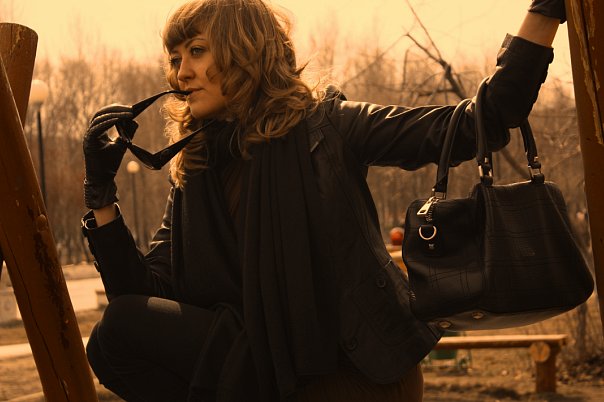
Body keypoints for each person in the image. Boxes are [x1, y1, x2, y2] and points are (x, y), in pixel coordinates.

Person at [81, 0, 566, 401]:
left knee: (119, 329)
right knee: (111, 340)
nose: (181, 72)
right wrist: (101, 194)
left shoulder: (325, 128)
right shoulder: (196, 169)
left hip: (351, 371)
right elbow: (143, 294)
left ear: (244, 50)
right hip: (263, 368)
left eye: (196, 51)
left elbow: (481, 120)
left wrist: (545, 12)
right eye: (174, 58)